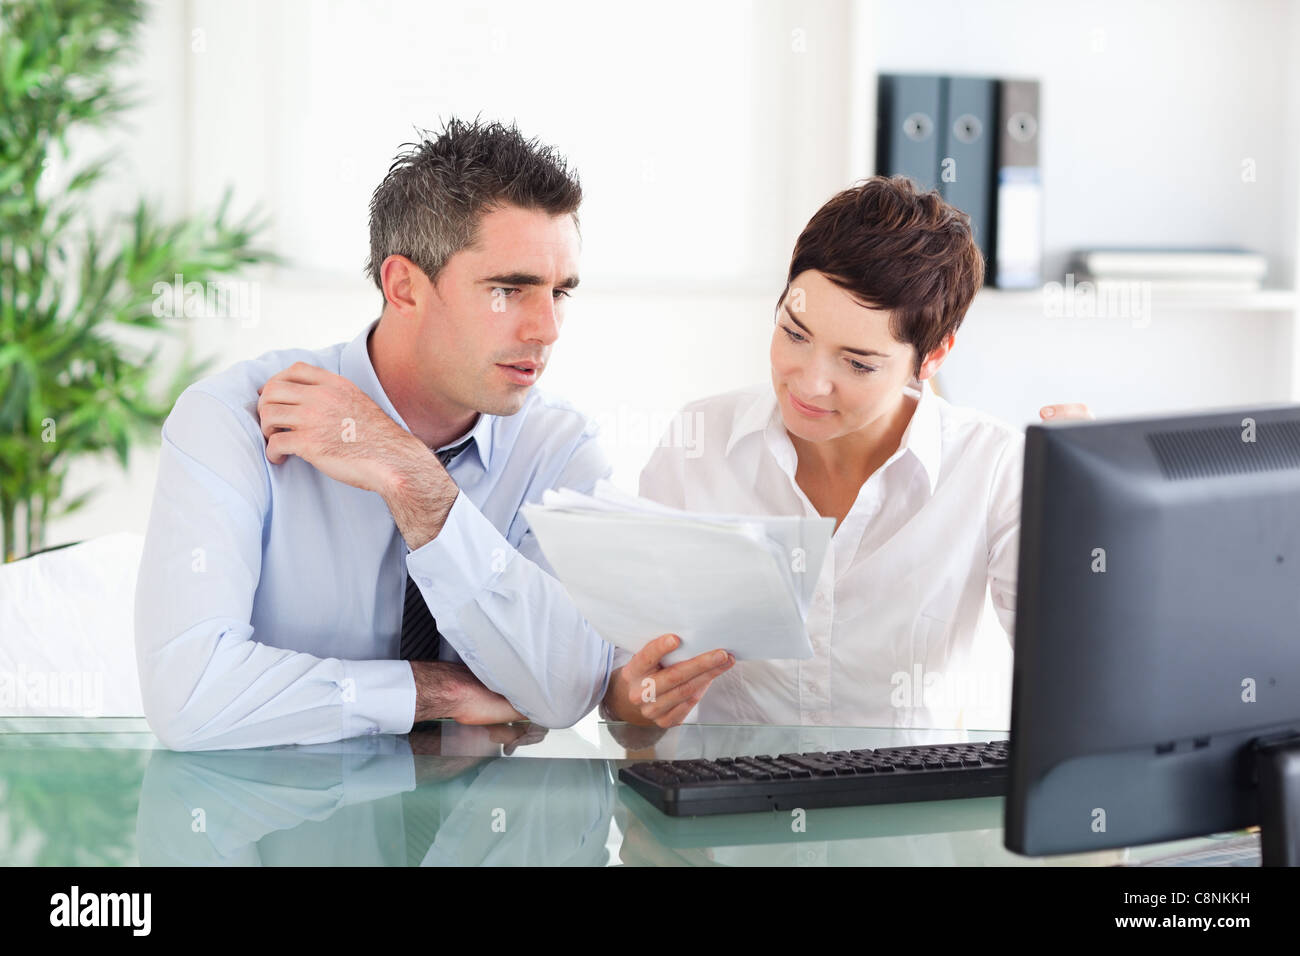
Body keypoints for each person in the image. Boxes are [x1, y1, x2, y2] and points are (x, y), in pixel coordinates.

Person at [134, 118, 617, 750]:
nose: (547, 329)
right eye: (509, 291)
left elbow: (569, 690)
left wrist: (414, 481)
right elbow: (189, 697)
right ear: (404, 286)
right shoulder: (232, 420)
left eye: (560, 293)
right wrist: (428, 692)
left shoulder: (561, 450)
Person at [602, 175, 1091, 729]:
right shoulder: (700, 440)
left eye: (858, 363)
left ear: (932, 357)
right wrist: (632, 705)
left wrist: (1089, 518)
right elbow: (627, 704)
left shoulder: (993, 467)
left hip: (907, 809)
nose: (809, 385)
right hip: (723, 805)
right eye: (794, 333)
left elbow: (1078, 680)